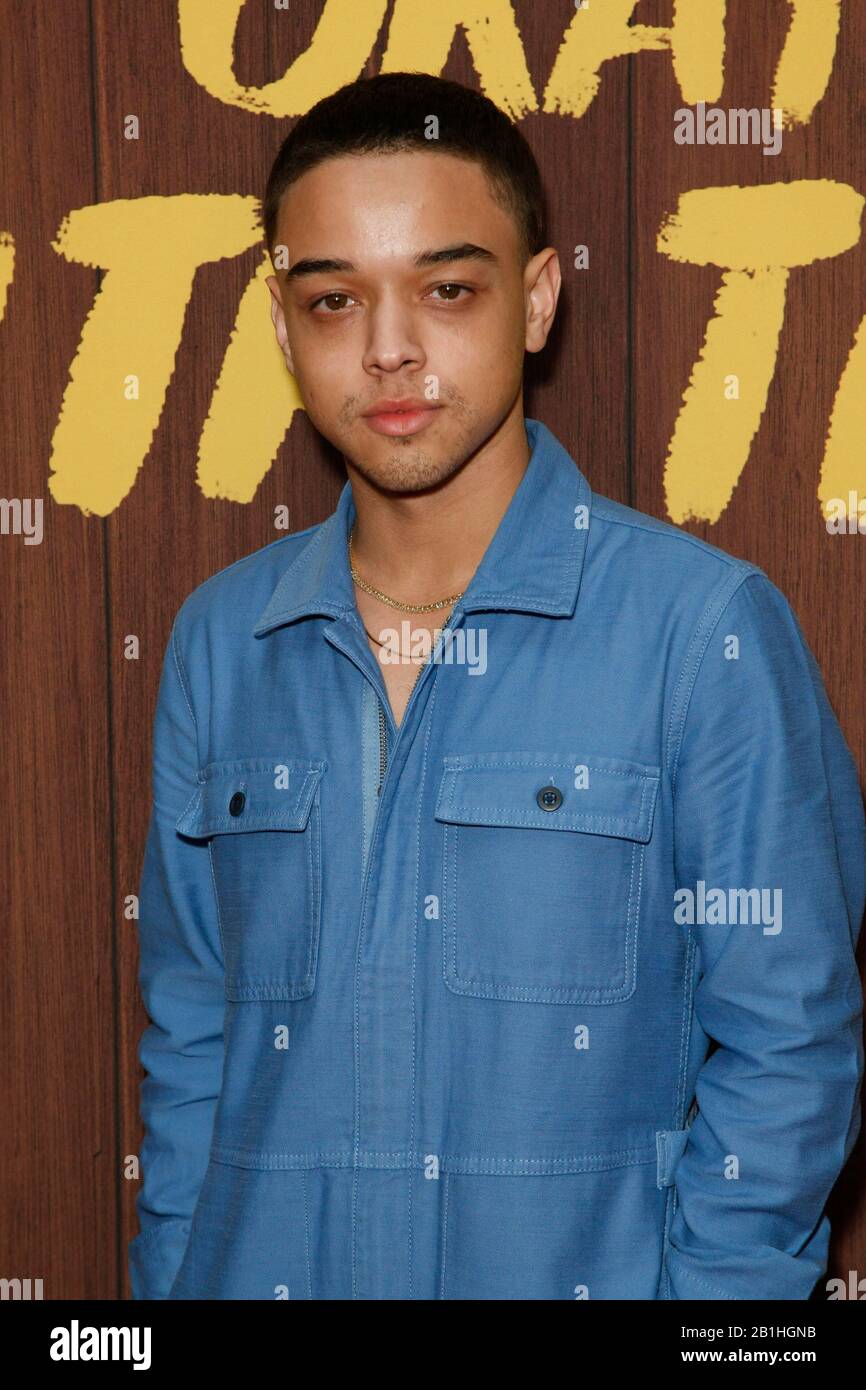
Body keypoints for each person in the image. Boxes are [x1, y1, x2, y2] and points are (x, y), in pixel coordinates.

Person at [129, 72, 865, 1301]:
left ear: (533, 299)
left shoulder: (700, 631)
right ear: (281, 326)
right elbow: (193, 1045)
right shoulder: (222, 641)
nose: (388, 348)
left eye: (446, 287)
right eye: (332, 300)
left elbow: (786, 1053)